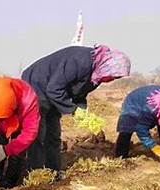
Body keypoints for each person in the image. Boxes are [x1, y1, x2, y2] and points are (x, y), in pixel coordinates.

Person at [21, 44, 131, 175]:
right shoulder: (80, 62)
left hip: (54, 91)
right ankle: (36, 173)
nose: (112, 79)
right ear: (108, 66)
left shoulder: (96, 76)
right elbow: (54, 90)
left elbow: (79, 94)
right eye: (113, 76)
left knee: (54, 134)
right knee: (39, 132)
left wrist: (82, 112)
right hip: (36, 84)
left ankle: (53, 171)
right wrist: (73, 110)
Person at [114, 85, 160, 158]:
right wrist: (153, 146)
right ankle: (121, 155)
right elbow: (141, 129)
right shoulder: (148, 109)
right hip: (136, 101)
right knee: (127, 127)